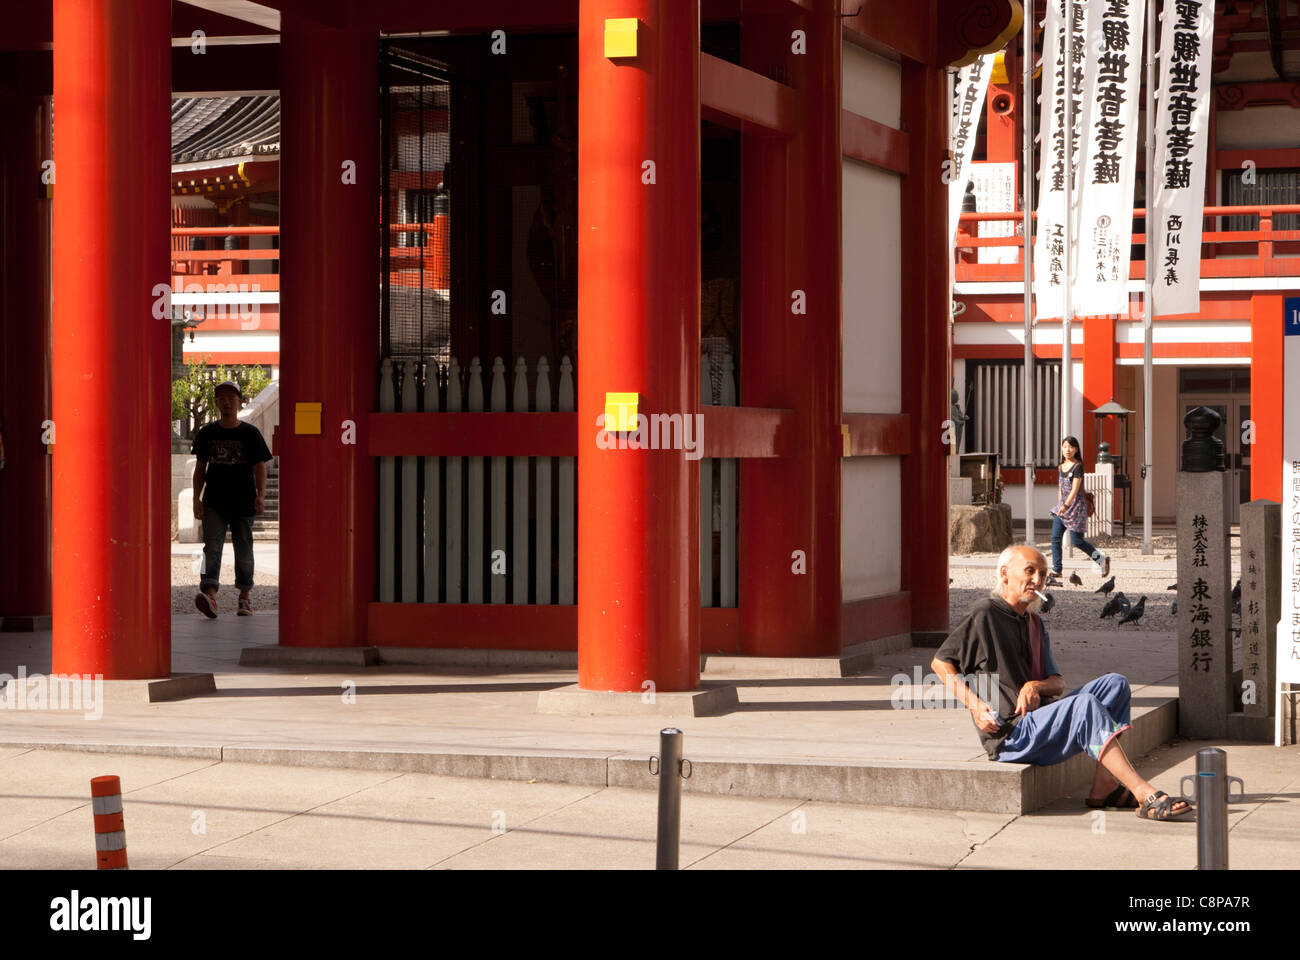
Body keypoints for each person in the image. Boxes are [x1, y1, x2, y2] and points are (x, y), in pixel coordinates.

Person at [931, 544, 1191, 821]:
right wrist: (974, 705)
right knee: (1084, 706)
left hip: (1040, 720)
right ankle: (1143, 793)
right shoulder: (985, 614)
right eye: (1030, 571)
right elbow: (941, 662)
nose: (1037, 580)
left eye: (1042, 574)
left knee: (1115, 684)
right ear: (1005, 573)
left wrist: (1035, 686)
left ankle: (1104, 786)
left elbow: (1056, 683)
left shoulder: (1034, 623)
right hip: (1011, 734)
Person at [191, 380, 272, 618]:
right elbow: (199, 469)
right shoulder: (207, 433)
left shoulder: (250, 433)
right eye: (222, 398)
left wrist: (261, 494)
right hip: (214, 500)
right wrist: (196, 498)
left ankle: (245, 596)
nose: (226, 402)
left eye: (231, 398)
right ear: (216, 403)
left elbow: (260, 466)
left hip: (243, 500)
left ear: (239, 402)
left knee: (244, 550)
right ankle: (209, 593)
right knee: (210, 549)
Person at [1049, 435, 1109, 584]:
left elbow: (1075, 489)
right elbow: (1060, 488)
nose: (1067, 450)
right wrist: (1059, 506)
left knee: (1077, 541)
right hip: (1062, 508)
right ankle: (1057, 569)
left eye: (1070, 447)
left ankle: (1101, 560)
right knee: (1055, 538)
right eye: (1064, 447)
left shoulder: (1078, 466)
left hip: (1075, 508)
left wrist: (1065, 506)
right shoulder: (1060, 467)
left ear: (1076, 449)